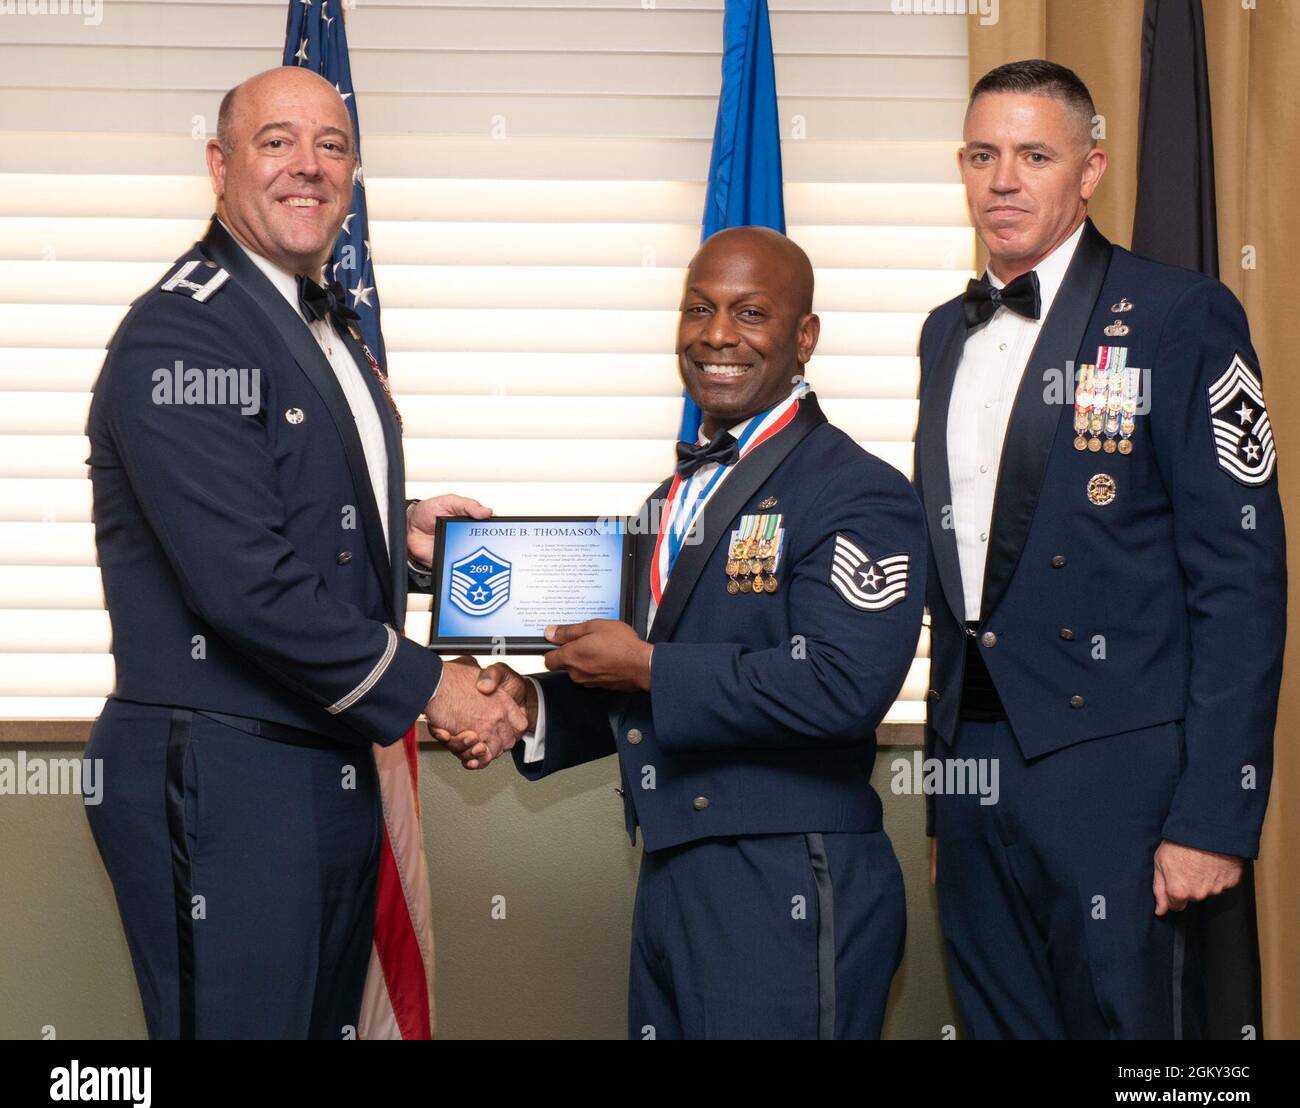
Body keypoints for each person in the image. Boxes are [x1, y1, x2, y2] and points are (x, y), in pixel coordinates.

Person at [83, 66, 526, 1039]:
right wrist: (435, 691)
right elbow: (244, 582)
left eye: (331, 145)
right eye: (277, 141)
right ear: (220, 165)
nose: (308, 166)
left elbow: (284, 498)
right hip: (223, 768)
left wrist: (400, 534)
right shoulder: (185, 336)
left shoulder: (304, 316)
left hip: (314, 754)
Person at [435, 227, 927, 1039]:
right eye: (698, 308)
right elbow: (633, 678)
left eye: (750, 312)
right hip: (672, 871)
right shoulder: (672, 497)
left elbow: (841, 686)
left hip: (787, 873)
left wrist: (650, 665)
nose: (717, 335)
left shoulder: (857, 492)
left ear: (804, 338)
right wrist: (529, 706)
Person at [913, 60, 1285, 1039]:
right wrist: (945, 804)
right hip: (976, 776)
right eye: (984, 154)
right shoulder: (939, 336)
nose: (1004, 180)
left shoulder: (1180, 315)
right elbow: (953, 586)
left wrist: (1212, 815)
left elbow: (1239, 579)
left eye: (1034, 154)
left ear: (1090, 169)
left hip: (1124, 778)